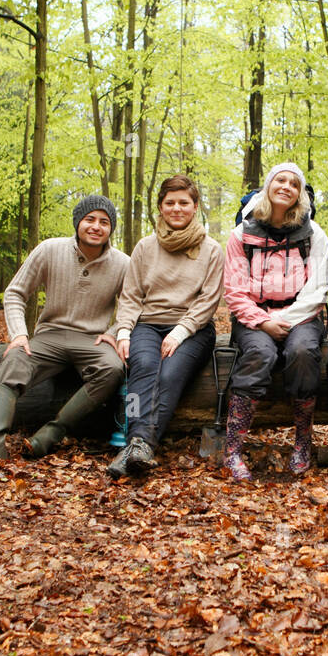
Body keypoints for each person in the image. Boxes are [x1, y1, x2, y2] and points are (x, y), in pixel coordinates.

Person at [0, 195, 128, 473]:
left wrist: (114, 331)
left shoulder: (123, 263)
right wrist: (18, 334)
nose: (96, 226)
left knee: (112, 368)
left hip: (93, 340)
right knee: (14, 359)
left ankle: (53, 432)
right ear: (78, 223)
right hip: (49, 335)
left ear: (111, 229)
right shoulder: (50, 249)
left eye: (104, 222)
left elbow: (134, 304)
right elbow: (15, 292)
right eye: (90, 220)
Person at [107, 174, 224, 479]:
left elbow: (208, 300)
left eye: (183, 202)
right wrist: (123, 332)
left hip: (193, 329)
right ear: (160, 207)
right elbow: (131, 295)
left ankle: (137, 444)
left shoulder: (211, 249)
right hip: (148, 323)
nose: (176, 208)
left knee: (169, 374)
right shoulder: (145, 247)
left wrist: (180, 332)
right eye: (169, 202)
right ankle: (140, 445)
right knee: (142, 366)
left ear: (195, 206)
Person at [222, 162, 328, 481]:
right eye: (279, 180)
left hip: (303, 315)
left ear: (300, 194)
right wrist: (262, 320)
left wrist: (284, 318)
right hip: (253, 315)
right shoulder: (241, 233)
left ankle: (302, 444)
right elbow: (233, 289)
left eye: (293, 183)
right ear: (267, 187)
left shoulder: (316, 233)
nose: (286, 186)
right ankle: (232, 450)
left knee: (301, 352)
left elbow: (323, 286)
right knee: (261, 354)